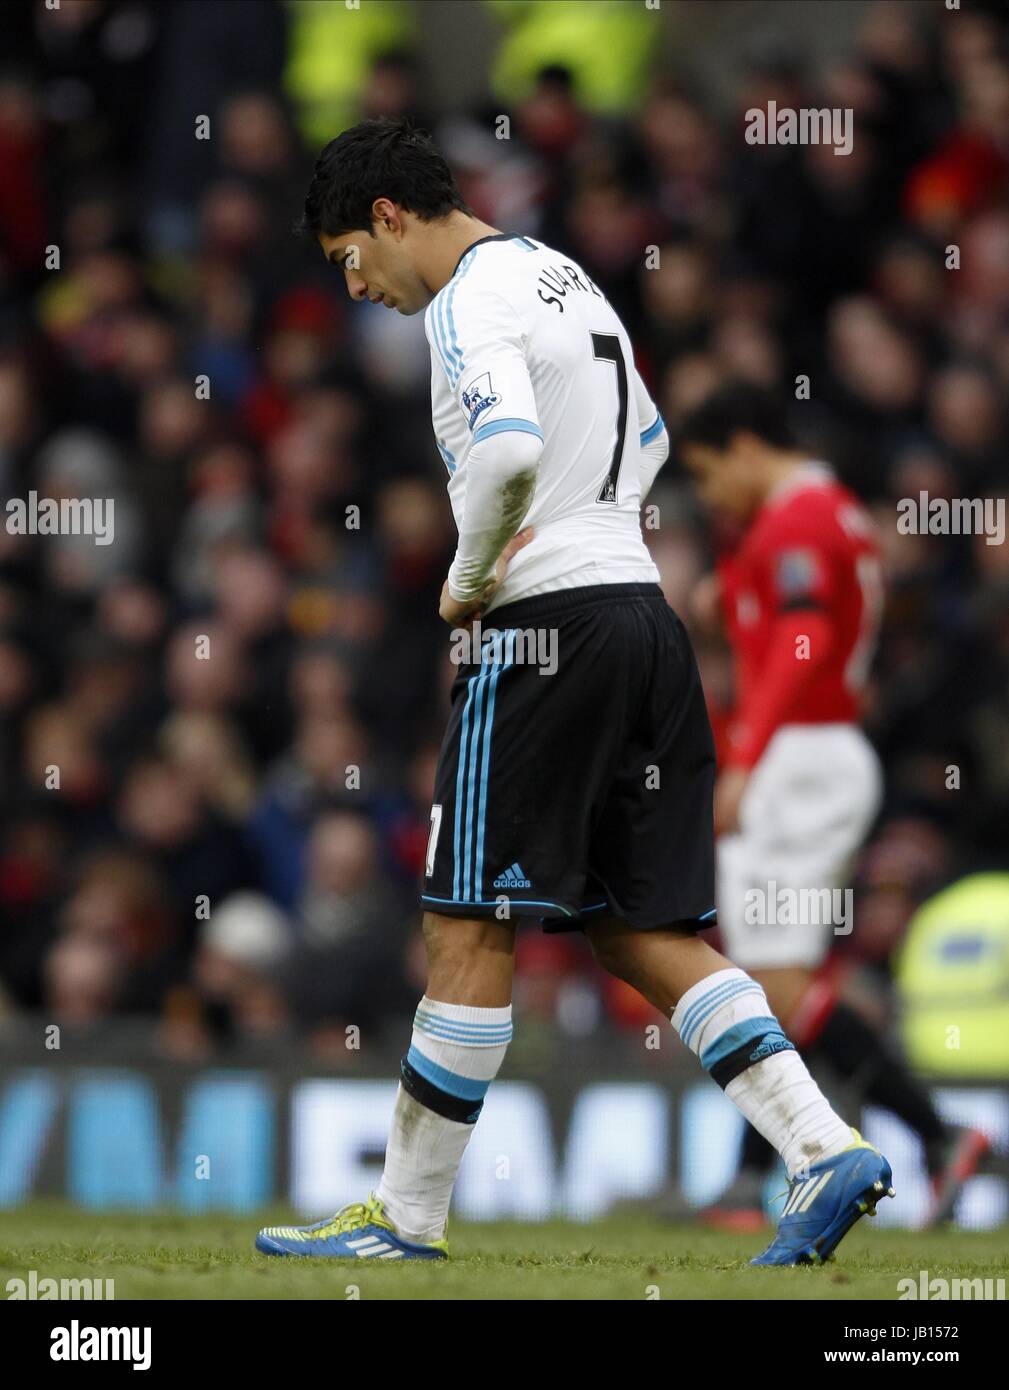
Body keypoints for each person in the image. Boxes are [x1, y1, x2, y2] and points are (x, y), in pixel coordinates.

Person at [255, 118, 892, 1265]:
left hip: (545, 626)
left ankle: (404, 1218)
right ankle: (820, 1143)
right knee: (643, 931)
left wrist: (468, 581)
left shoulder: (464, 301)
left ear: (390, 218)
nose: (356, 286)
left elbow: (500, 454)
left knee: (464, 919)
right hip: (643, 619)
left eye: (350, 254)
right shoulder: (566, 276)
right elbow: (643, 438)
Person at [677, 381, 988, 1232]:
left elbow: (798, 648)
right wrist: (725, 594)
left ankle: (931, 1132)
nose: (706, 494)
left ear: (744, 447)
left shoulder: (799, 523)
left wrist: (744, 758)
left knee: (769, 985)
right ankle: (760, 1179)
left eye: (706, 474)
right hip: (814, 756)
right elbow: (780, 618)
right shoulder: (811, 521)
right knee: (774, 983)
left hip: (799, 759)